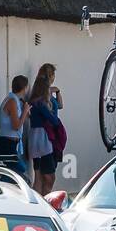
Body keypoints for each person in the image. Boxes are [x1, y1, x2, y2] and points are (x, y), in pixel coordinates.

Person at [27, 65, 65, 194]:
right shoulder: (42, 103)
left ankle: (39, 200)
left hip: (35, 139)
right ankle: (47, 201)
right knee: (49, 177)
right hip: (44, 140)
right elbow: (53, 120)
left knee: (38, 175)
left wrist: (57, 92)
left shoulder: (34, 100)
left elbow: (60, 105)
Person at [0, 75, 30, 175]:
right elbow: (16, 126)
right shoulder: (12, 101)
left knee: (17, 170)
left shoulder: (15, 100)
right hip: (7, 143)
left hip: (13, 142)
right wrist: (24, 112)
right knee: (19, 169)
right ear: (24, 88)